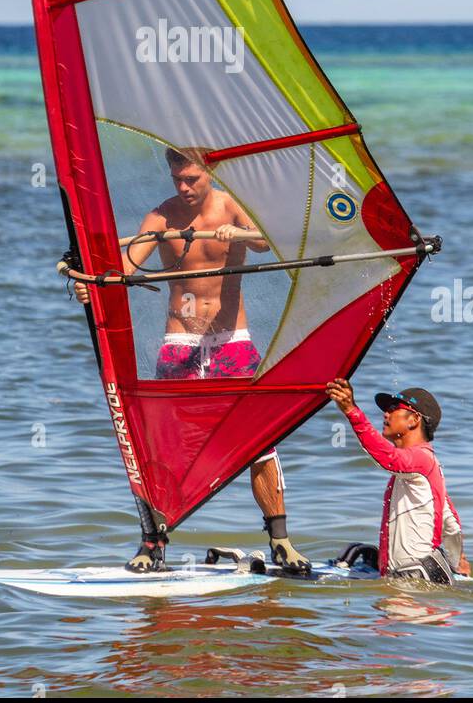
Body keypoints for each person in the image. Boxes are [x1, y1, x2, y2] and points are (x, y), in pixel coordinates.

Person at [74, 146, 310, 574]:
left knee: (259, 444)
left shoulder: (232, 205)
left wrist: (237, 234)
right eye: (178, 180)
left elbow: (265, 241)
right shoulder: (161, 218)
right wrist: (93, 284)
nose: (184, 188)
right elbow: (125, 266)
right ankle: (153, 543)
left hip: (231, 341)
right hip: (180, 342)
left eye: (193, 180)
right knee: (163, 445)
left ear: (210, 173)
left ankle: (280, 541)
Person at [326, 378, 469, 585]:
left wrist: (352, 411)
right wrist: (458, 564)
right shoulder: (429, 467)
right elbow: (452, 524)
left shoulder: (420, 459)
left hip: (415, 582)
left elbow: (388, 458)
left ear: (413, 420)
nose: (386, 414)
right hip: (421, 578)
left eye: (394, 408)